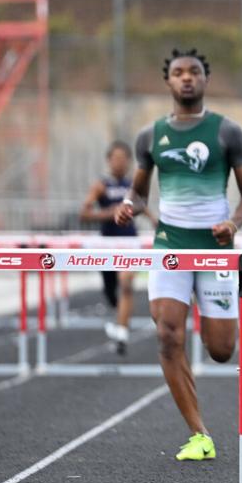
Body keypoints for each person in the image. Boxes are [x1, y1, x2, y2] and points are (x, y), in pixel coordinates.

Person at [114, 49, 242, 462]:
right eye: (178, 73)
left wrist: (233, 223)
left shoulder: (227, 132)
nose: (186, 79)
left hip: (215, 248)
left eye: (194, 72)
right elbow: (139, 191)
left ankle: (208, 315)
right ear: (168, 82)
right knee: (166, 334)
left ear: (205, 79)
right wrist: (130, 204)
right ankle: (199, 434)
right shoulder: (151, 135)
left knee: (220, 350)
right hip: (170, 246)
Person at [81, 141, 154, 355]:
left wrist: (154, 220)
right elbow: (84, 214)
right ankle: (117, 313)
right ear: (109, 160)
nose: (120, 163)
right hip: (107, 244)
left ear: (129, 161)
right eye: (116, 158)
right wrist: (109, 212)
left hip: (130, 242)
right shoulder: (101, 185)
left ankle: (121, 333)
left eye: (124, 159)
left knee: (126, 284)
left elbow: (142, 205)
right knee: (111, 292)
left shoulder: (133, 185)